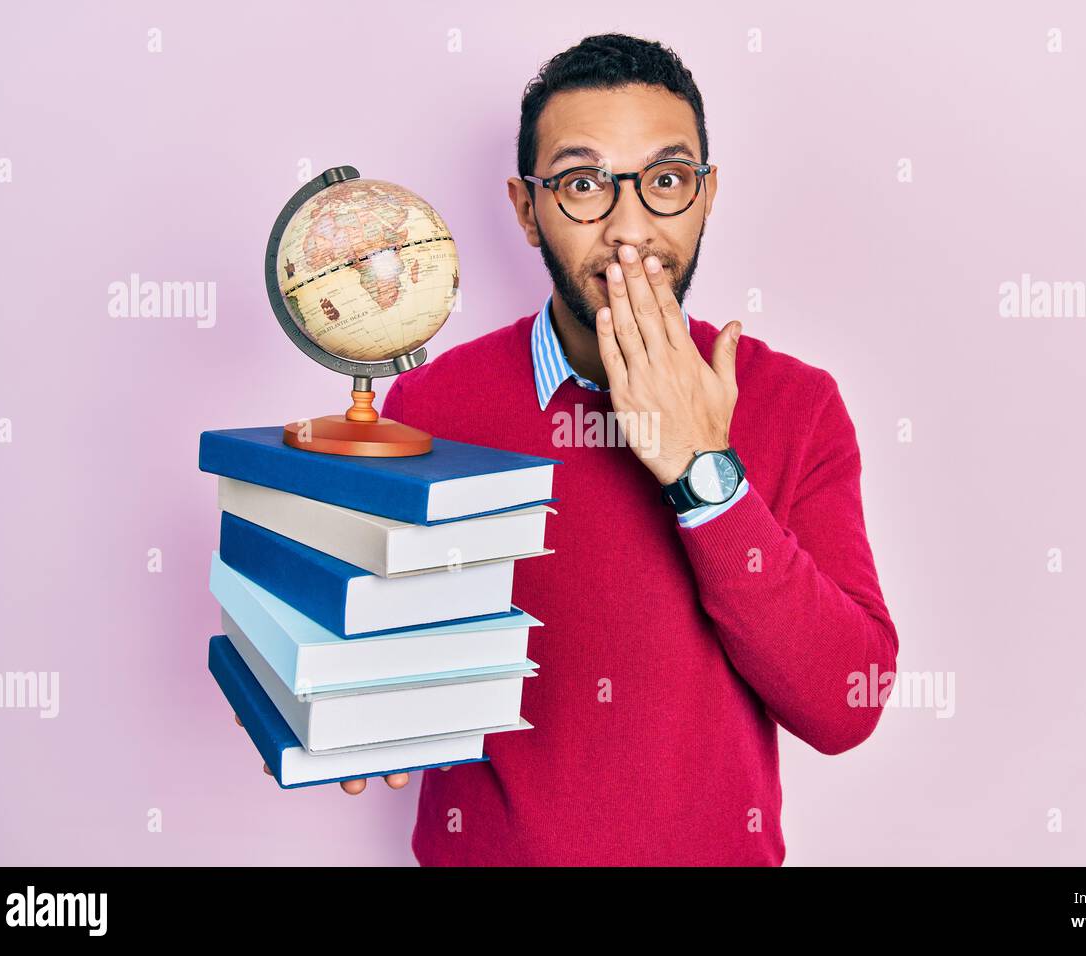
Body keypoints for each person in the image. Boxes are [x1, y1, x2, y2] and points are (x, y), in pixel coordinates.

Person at [252, 32, 899, 866]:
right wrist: (299, 692)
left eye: (666, 181)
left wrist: (706, 473)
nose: (631, 230)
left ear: (706, 197)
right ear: (527, 210)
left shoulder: (798, 406)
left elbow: (848, 706)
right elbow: (357, 634)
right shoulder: (433, 404)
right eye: (585, 184)